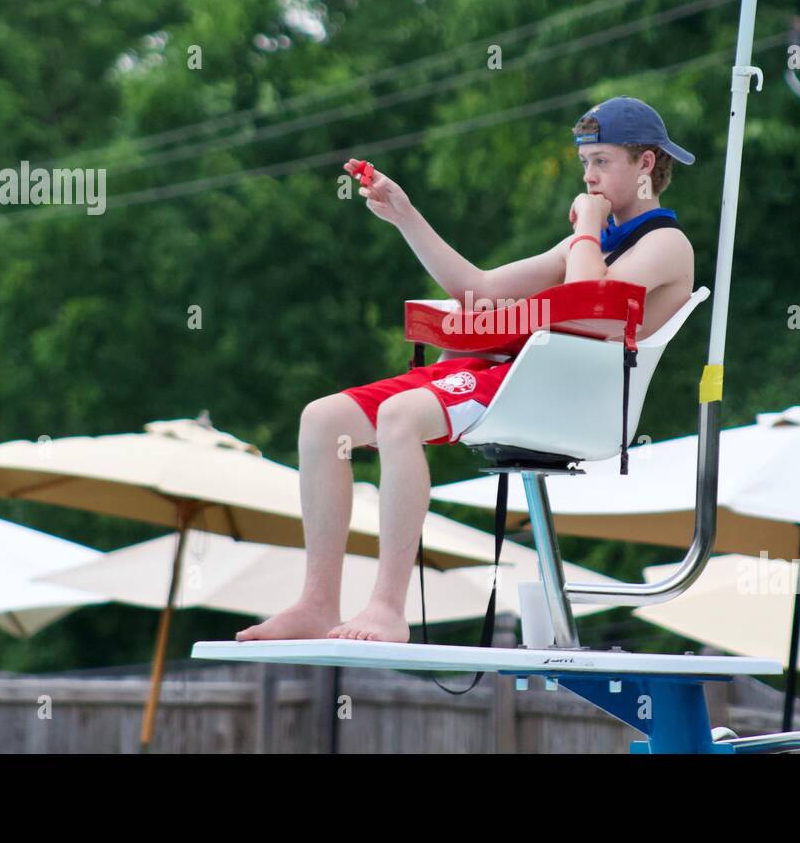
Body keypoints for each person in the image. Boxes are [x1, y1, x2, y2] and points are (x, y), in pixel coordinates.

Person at [236, 96, 696, 643]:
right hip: (518, 376)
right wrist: (405, 215)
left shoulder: (667, 244)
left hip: (563, 397)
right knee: (322, 419)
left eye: (602, 162)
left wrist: (587, 229)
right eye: (584, 163)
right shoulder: (592, 243)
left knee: (402, 417)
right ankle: (317, 602)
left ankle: (386, 607)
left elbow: (585, 302)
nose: (589, 178)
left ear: (645, 165)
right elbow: (477, 289)